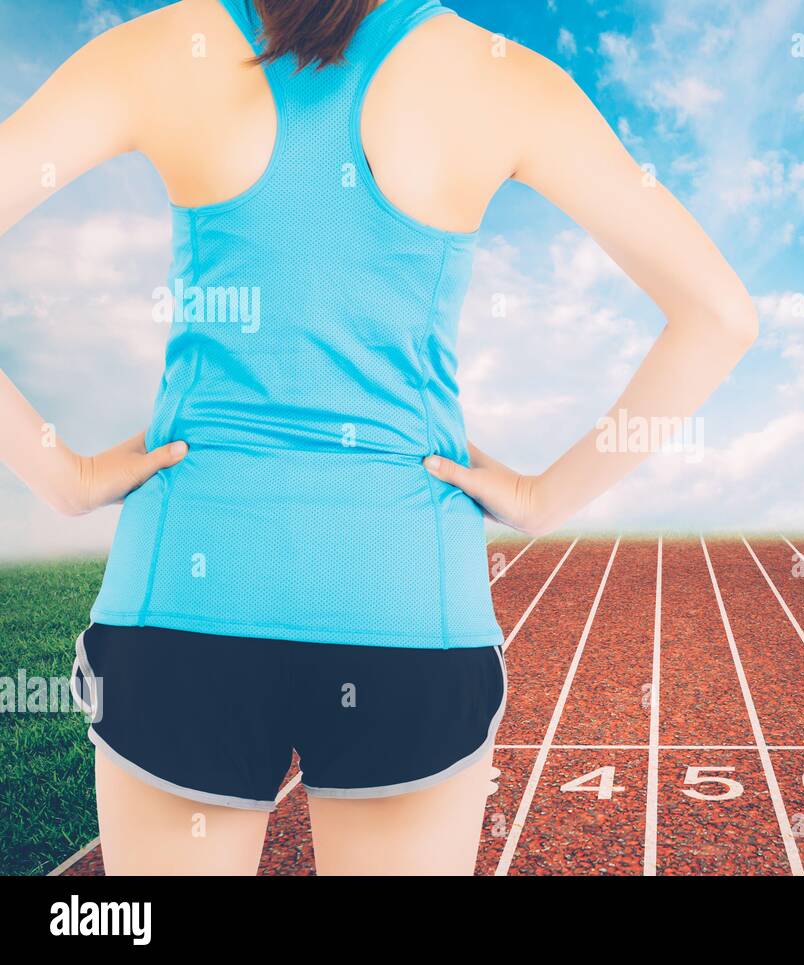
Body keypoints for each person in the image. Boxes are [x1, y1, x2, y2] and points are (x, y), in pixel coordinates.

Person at [0, 0, 757, 875]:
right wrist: (545, 498)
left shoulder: (170, 45)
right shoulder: (502, 75)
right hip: (407, 614)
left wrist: (58, 474)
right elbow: (721, 315)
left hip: (182, 606)